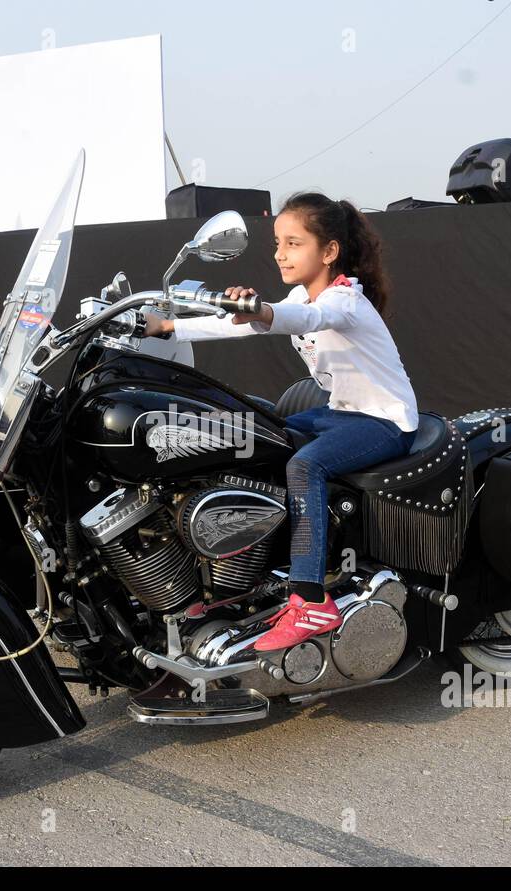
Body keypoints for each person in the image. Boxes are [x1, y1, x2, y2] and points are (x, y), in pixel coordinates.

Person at [145, 193, 420, 651]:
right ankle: (251, 568)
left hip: (385, 421)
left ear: (329, 252)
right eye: (277, 242)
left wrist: (262, 311)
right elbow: (240, 323)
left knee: (304, 466)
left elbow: (306, 317)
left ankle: (311, 600)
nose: (279, 253)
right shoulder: (299, 295)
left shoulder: (345, 300)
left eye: (293, 243)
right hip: (343, 414)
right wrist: (171, 328)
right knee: (256, 428)